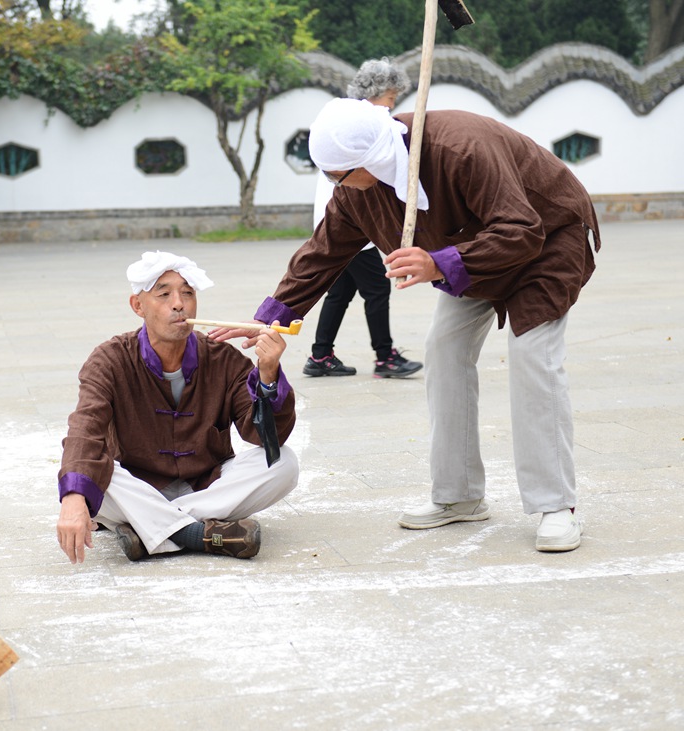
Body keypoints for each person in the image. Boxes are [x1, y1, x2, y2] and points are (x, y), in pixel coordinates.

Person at [215, 100, 600, 552]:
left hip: (546, 241)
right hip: (470, 258)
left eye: (337, 176)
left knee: (533, 356)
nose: (335, 186)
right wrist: (270, 319)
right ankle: (459, 495)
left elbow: (521, 228)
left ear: (369, 159)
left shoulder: (462, 147)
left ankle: (556, 506)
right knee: (444, 351)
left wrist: (437, 263)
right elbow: (322, 253)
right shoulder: (357, 189)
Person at [55, 251, 299, 564]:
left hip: (206, 486)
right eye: (164, 294)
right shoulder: (110, 359)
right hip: (137, 486)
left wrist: (268, 374)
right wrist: (74, 498)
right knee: (91, 474)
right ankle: (195, 533)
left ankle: (150, 529)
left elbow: (263, 436)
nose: (179, 304)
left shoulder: (223, 358)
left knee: (284, 463)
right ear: (138, 306)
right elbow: (85, 429)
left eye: (188, 293)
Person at [304, 58, 422, 380]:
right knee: (377, 289)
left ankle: (320, 355)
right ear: (377, 92)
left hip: (337, 221)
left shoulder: (345, 118)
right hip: (349, 224)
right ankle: (385, 357)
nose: (392, 106)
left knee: (340, 292)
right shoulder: (363, 125)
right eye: (391, 98)